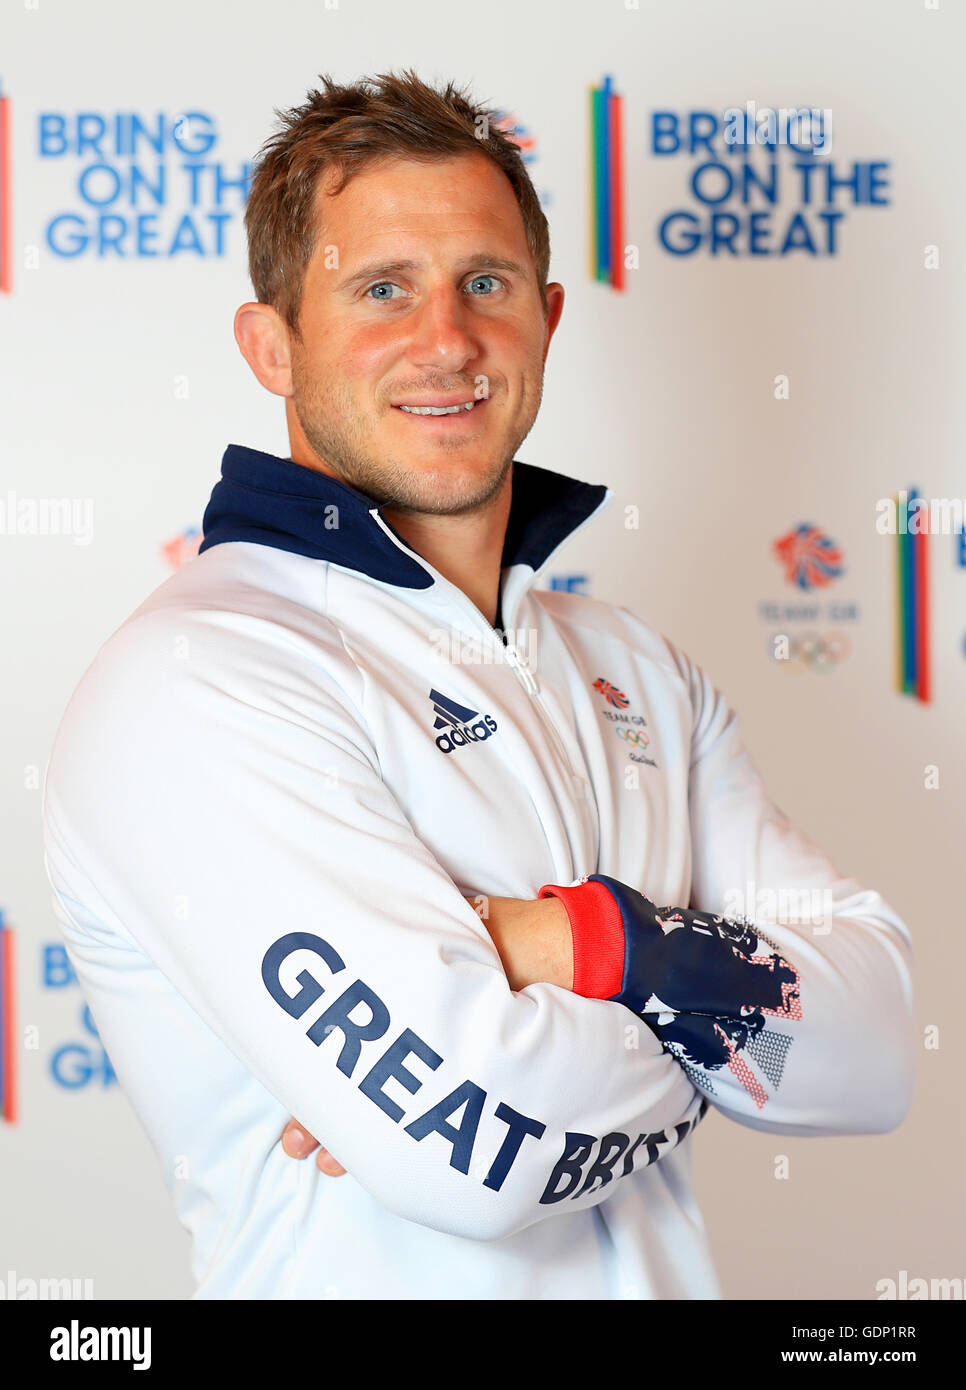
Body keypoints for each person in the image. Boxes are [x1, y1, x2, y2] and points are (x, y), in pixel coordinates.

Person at [41, 69, 915, 1300]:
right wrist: (735, 1030)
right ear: (271, 344)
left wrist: (590, 943)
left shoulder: (638, 667)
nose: (445, 340)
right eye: (381, 288)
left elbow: (878, 1052)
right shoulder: (197, 676)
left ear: (549, 315)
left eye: (485, 285)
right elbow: (488, 1157)